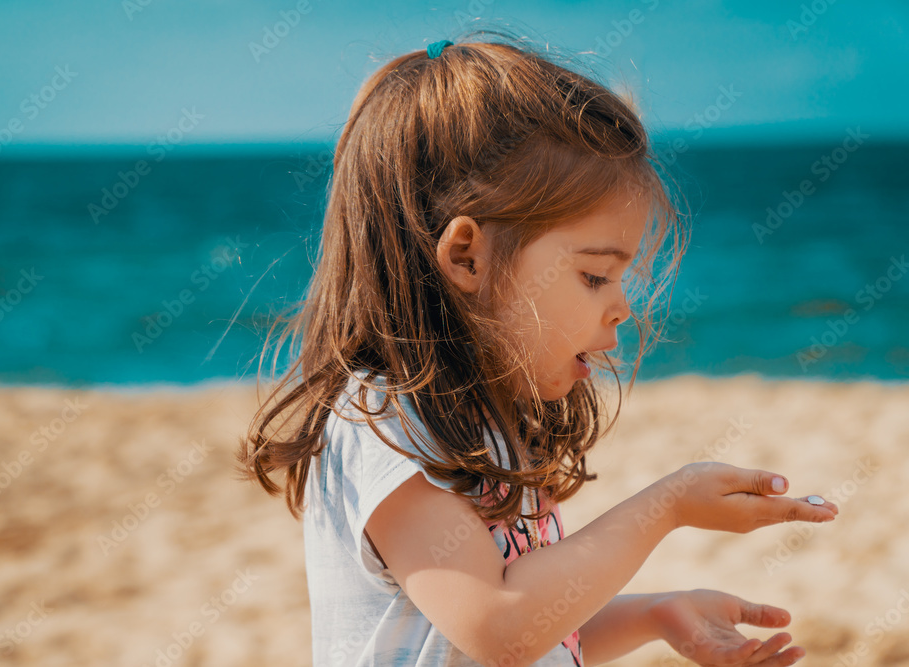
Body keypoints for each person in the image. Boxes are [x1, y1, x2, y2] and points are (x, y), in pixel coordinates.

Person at [237, 33, 839, 667]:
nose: (622, 306)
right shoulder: (385, 421)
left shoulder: (487, 418)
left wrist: (657, 613)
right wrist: (666, 506)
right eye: (594, 275)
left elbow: (538, 625)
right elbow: (501, 628)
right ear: (467, 257)